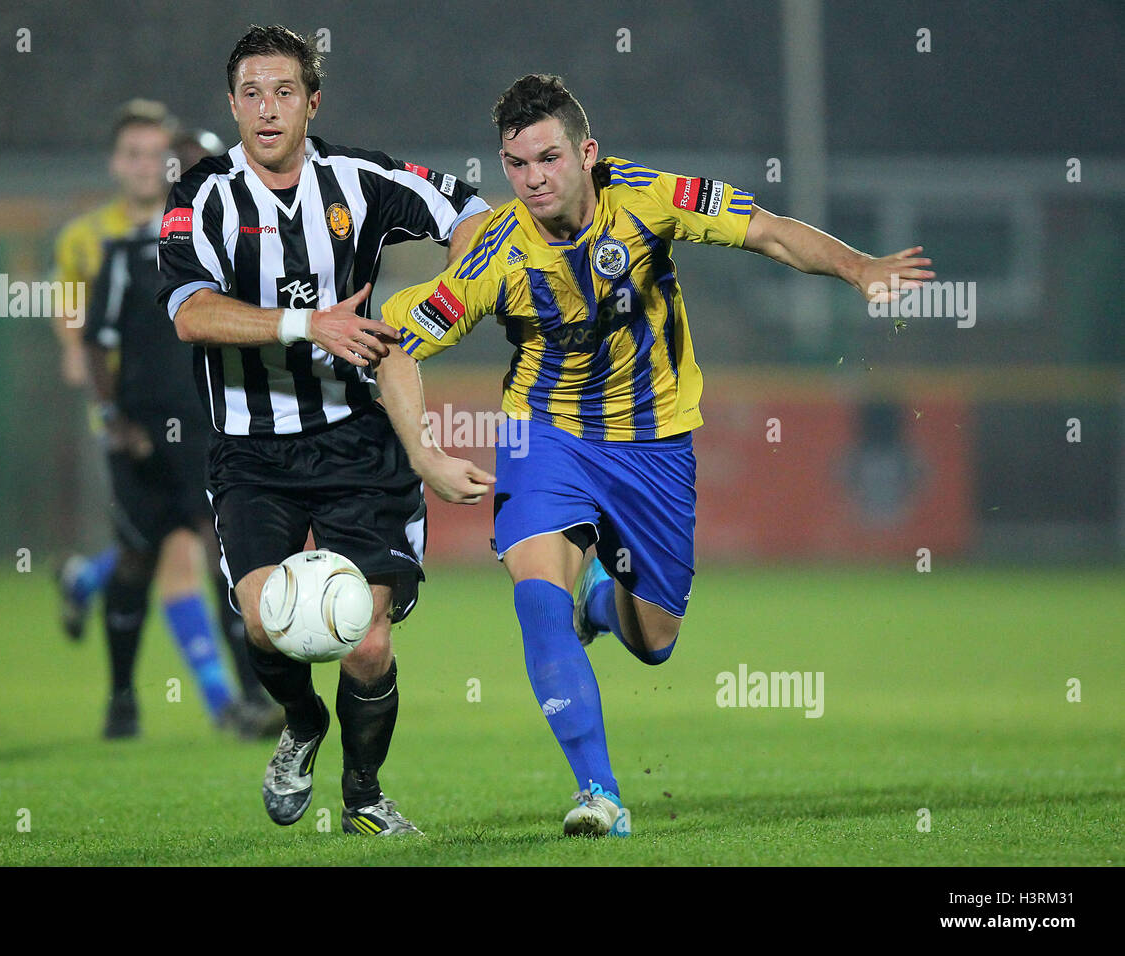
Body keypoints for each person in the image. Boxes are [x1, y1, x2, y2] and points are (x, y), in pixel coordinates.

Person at [374, 73, 933, 836]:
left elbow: (767, 230)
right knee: (537, 601)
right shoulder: (495, 255)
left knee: (655, 641)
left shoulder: (650, 197)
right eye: (516, 163)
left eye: (548, 158)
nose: (534, 179)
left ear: (587, 152)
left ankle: (601, 602)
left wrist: (860, 269)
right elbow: (396, 349)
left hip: (654, 445)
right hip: (543, 436)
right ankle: (598, 792)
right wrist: (427, 457)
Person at [156, 24, 491, 836]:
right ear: (231, 104)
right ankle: (302, 723)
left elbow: (478, 217)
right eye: (250, 94)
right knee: (267, 620)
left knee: (367, 642)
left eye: (283, 92)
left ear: (313, 101)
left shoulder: (360, 181)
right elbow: (191, 314)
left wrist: (446, 303)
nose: (266, 110)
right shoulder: (199, 194)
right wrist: (308, 324)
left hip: (357, 443)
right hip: (250, 448)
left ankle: (365, 796)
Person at [83, 125, 286, 741]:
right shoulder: (130, 255)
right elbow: (98, 343)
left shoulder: (247, 252)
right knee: (136, 559)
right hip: (142, 440)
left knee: (225, 559)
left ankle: (252, 700)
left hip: (215, 432)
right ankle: (121, 699)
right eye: (187, 166)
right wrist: (115, 419)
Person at [52, 99, 179, 641]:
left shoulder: (193, 222)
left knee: (174, 542)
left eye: (156, 153)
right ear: (115, 163)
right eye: (133, 153)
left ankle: (83, 578)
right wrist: (76, 353)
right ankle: (231, 703)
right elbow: (70, 309)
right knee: (172, 546)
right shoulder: (85, 237)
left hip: (189, 402)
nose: (145, 164)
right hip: (122, 405)